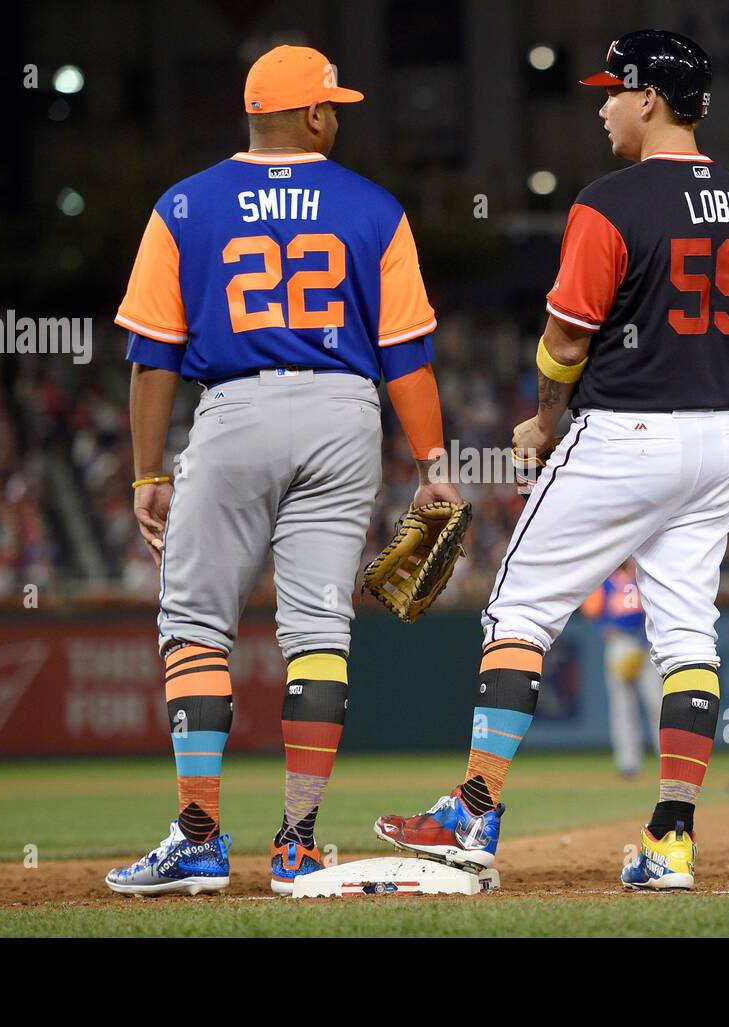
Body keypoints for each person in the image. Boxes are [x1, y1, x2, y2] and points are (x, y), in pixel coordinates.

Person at [375, 29, 729, 890]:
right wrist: (710, 366)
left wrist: (541, 423)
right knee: (688, 633)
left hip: (623, 433)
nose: (603, 105)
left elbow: (567, 333)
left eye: (613, 90)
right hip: (718, 440)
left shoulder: (609, 201)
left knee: (519, 610)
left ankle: (472, 811)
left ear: (649, 98)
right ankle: (672, 840)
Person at [104, 45, 460, 896]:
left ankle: (198, 836)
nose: (337, 115)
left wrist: (147, 473)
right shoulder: (372, 207)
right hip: (346, 410)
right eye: (331, 104)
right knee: (319, 630)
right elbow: (406, 354)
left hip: (234, 408)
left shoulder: (184, 206)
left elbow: (153, 358)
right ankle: (298, 844)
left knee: (194, 619)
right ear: (309, 115)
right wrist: (435, 464)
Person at [582, 563, 664, 777]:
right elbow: (592, 612)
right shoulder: (606, 580)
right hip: (619, 643)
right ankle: (628, 763)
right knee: (622, 706)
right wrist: (604, 629)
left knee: (657, 703)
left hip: (647, 645)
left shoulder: (643, 574)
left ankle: (667, 761)